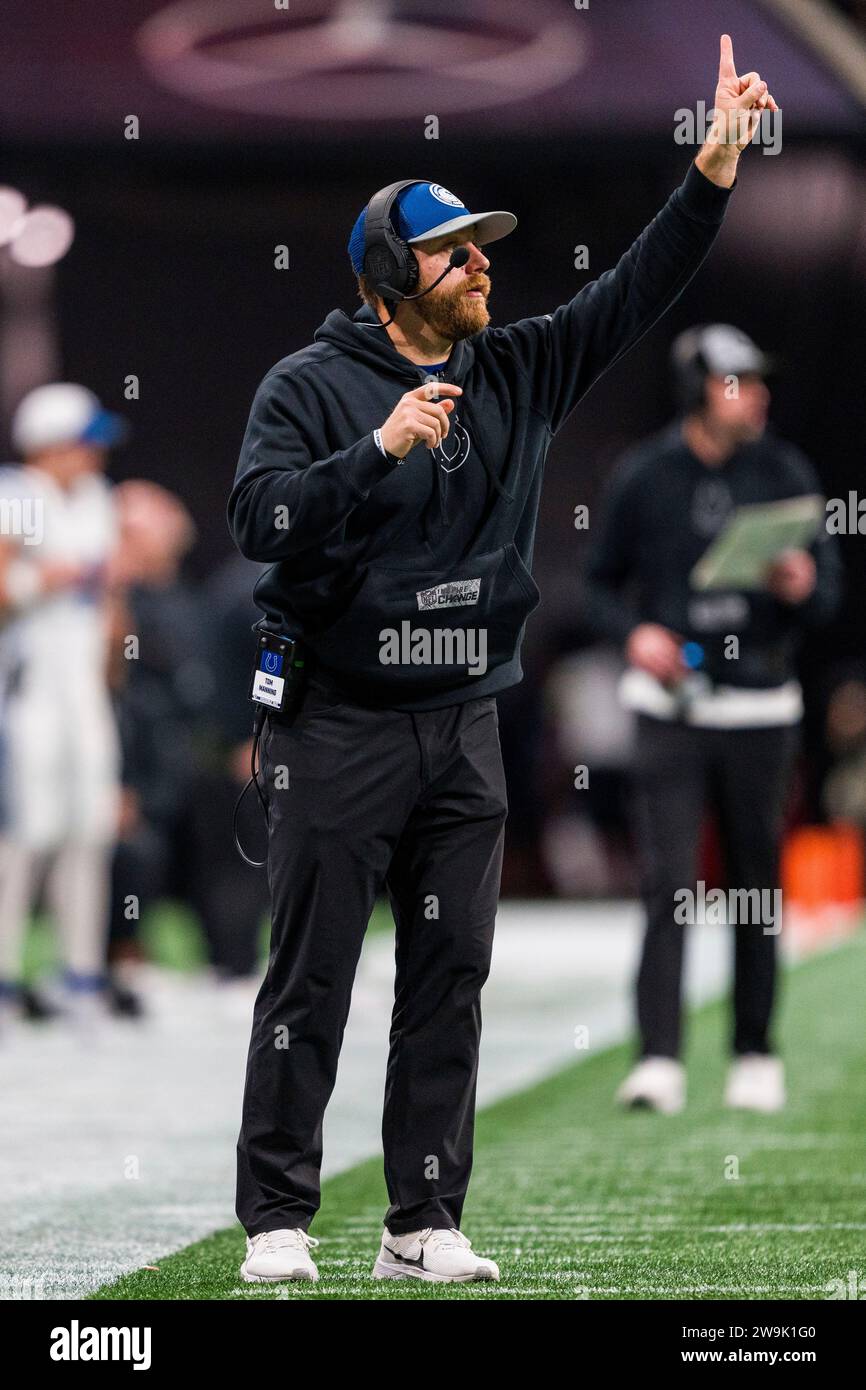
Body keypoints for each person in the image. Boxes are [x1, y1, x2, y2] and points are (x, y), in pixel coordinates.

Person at [228, 36, 775, 1283]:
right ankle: (274, 1219)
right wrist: (373, 451)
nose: (483, 262)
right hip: (340, 721)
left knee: (449, 978)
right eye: (453, 249)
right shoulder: (309, 386)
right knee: (309, 978)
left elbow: (632, 293)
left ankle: (419, 1222)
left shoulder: (514, 367)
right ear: (388, 276)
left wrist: (711, 172)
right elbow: (257, 522)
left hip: (463, 721)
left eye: (483, 245)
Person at [582, 324, 842, 1116]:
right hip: (674, 707)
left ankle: (755, 1051)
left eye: (759, 381)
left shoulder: (785, 469)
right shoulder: (645, 474)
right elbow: (596, 587)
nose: (758, 395)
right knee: (667, 881)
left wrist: (803, 585)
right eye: (740, 381)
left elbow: (830, 598)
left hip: (762, 704)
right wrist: (638, 636)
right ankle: (659, 1056)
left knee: (757, 884)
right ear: (700, 388)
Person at [0, 383, 126, 1034]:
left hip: (82, 691)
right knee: (23, 835)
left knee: (92, 829)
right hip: (28, 690)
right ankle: (7, 978)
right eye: (84, 442)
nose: (95, 454)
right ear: (52, 444)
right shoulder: (19, 496)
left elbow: (110, 599)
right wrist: (32, 584)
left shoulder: (97, 502)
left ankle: (81, 974)